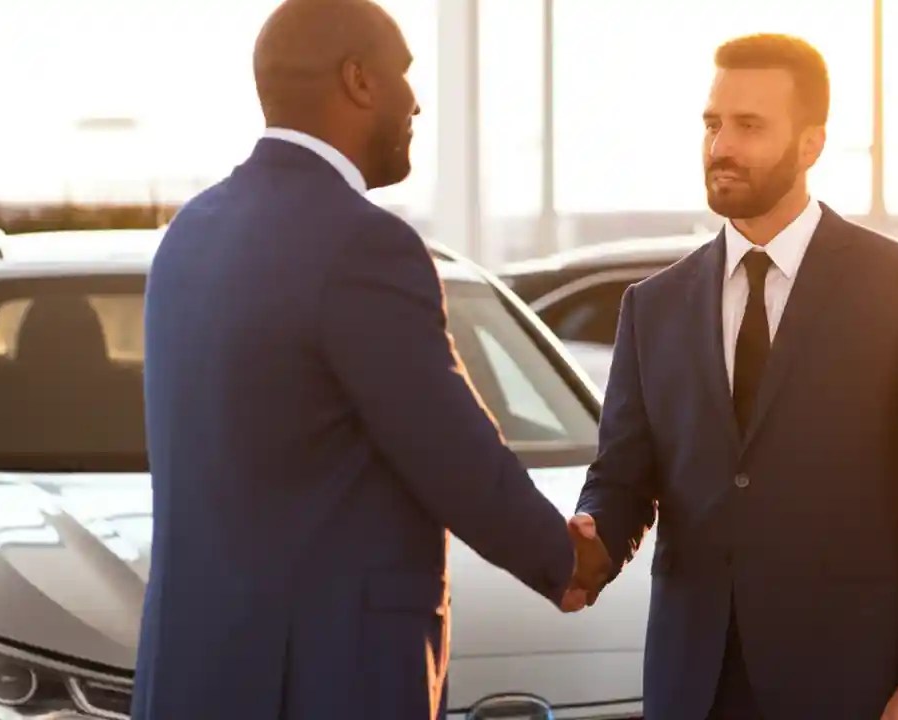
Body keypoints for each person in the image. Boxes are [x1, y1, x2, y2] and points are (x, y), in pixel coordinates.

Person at [131, 1, 609, 718]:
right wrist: (566, 560)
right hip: (324, 680)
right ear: (358, 80)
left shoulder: (190, 232)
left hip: (195, 675)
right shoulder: (361, 243)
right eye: (404, 74)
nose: (416, 100)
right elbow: (449, 449)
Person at [568, 34, 898, 719]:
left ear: (810, 145)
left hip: (851, 685)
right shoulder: (652, 307)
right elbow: (624, 478)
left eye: (749, 126)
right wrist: (587, 543)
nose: (720, 147)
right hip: (692, 686)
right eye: (712, 124)